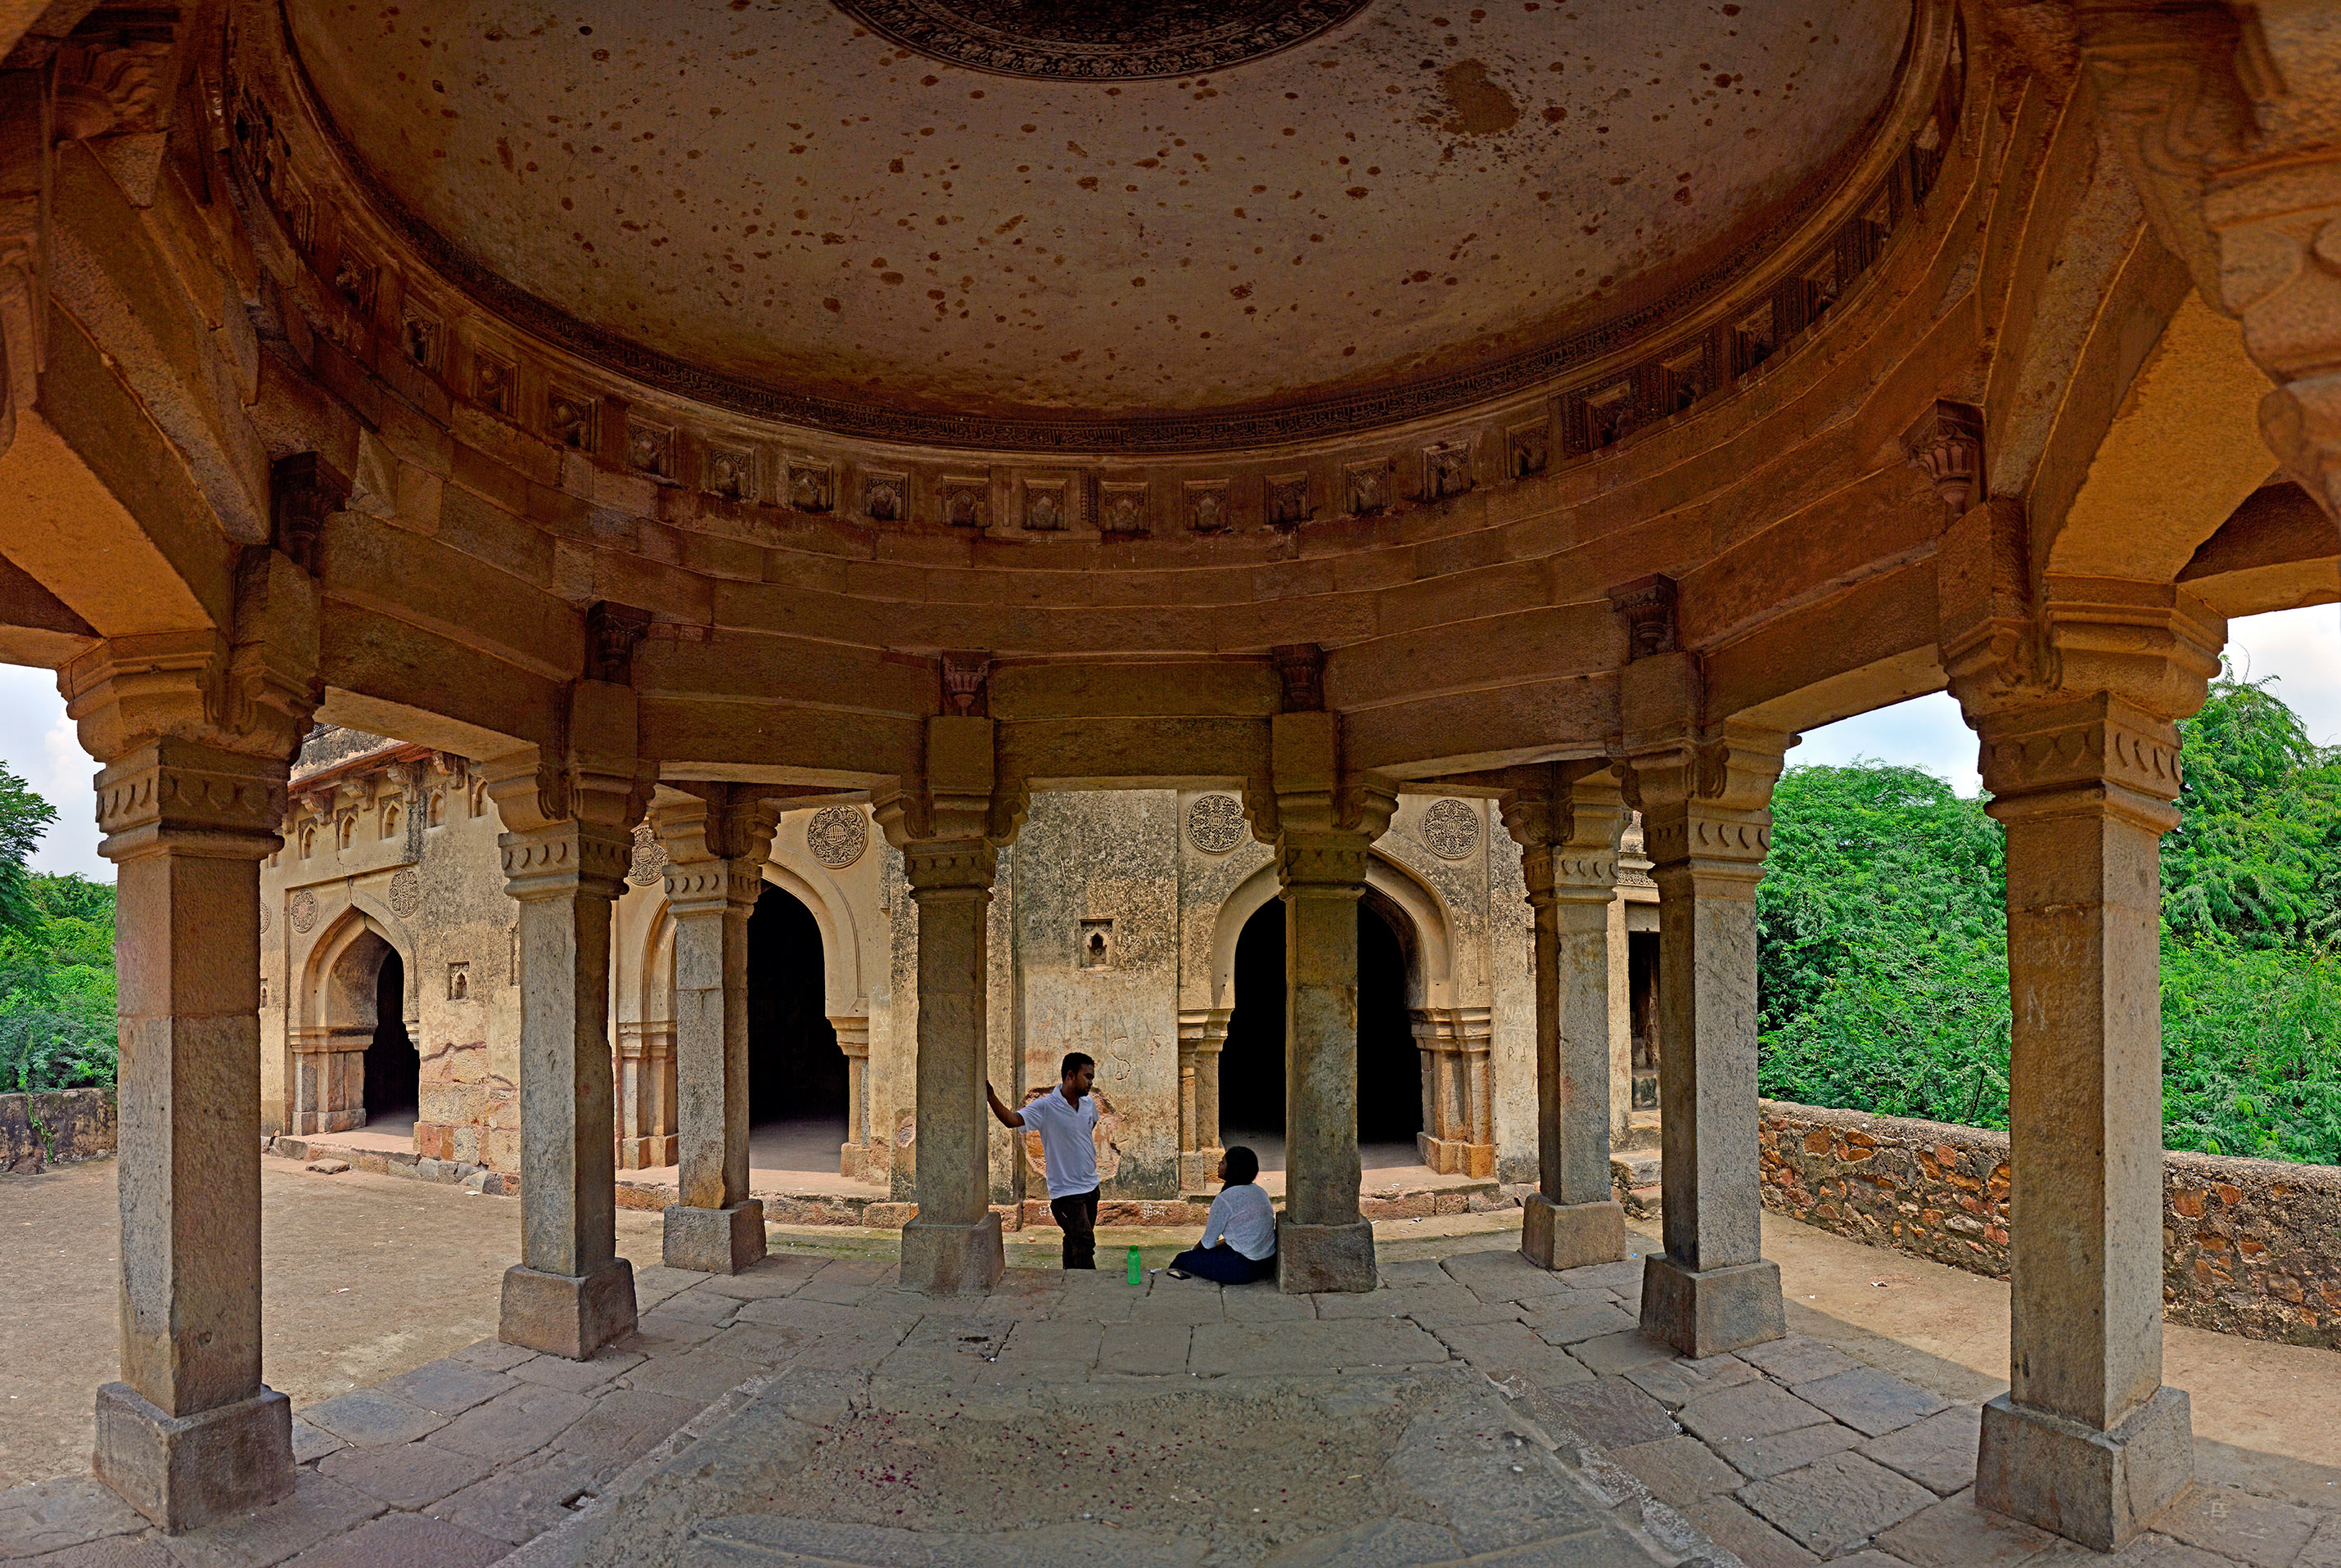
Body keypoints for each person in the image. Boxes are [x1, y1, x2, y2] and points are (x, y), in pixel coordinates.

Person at [987, 1053, 1100, 1270]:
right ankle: (1090, 1291)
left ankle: (1069, 1284)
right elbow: (1012, 1120)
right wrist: (990, 1096)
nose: (1091, 1082)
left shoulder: (1089, 1104)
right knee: (1085, 1244)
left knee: (1074, 1241)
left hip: (1091, 1187)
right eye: (1087, 1076)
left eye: (1092, 1077)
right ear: (1070, 1075)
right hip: (1067, 1193)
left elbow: (1087, 1128)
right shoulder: (1045, 1107)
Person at [1165, 1146, 1277, 1284]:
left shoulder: (1225, 1199)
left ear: (1233, 1169)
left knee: (1182, 1259)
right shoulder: (1260, 1192)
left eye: (1223, 1163)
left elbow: (1207, 1243)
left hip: (1243, 1267)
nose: (1219, 1165)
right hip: (1265, 1264)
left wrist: (1192, 1253)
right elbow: (1242, 1235)